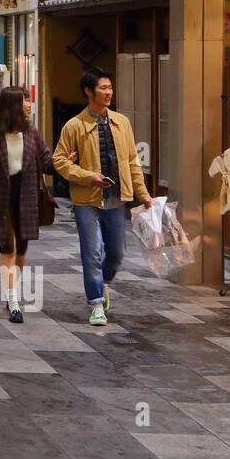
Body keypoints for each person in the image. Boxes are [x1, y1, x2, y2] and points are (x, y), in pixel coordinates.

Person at [53, 68, 152, 326]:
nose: (108, 92)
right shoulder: (74, 126)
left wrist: (143, 195)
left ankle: (104, 283)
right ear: (89, 91)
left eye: (110, 88)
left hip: (117, 198)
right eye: (103, 88)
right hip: (87, 200)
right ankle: (96, 303)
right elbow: (59, 161)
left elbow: (132, 161)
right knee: (92, 252)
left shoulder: (122, 122)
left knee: (117, 253)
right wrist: (88, 176)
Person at [0, 87, 53, 323]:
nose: (29, 104)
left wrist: (67, 162)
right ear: (13, 106)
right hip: (0, 198)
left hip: (26, 196)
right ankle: (13, 302)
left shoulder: (31, 133)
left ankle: (13, 292)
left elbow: (46, 160)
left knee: (21, 251)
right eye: (25, 100)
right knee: (7, 249)